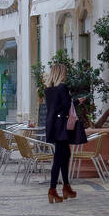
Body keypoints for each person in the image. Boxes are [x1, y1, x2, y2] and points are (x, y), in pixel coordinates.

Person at [43, 62, 83, 203]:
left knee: (65, 155)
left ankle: (66, 187)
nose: (66, 75)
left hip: (53, 126)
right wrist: (77, 102)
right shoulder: (63, 87)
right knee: (59, 158)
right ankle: (52, 190)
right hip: (62, 128)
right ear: (61, 73)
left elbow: (56, 107)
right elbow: (66, 106)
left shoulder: (48, 90)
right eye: (65, 72)